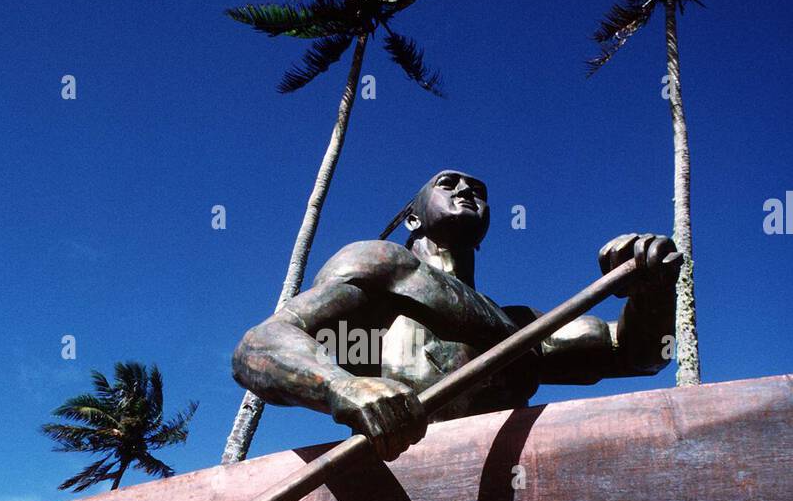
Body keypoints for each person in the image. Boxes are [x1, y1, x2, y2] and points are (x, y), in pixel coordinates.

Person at [233, 171, 681, 461]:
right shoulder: (382, 263)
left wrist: (651, 293)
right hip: (404, 473)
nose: (468, 191)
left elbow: (636, 354)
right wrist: (342, 386)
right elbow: (259, 346)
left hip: (508, 486)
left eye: (480, 191)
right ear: (412, 219)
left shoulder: (523, 328)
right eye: (449, 184)